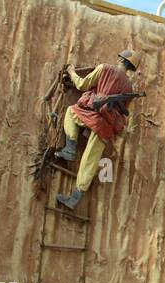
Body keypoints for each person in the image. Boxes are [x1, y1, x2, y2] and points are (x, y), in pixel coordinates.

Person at [55, 48, 142, 210]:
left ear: (121, 59)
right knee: (90, 163)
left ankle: (70, 148)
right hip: (106, 127)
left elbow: (82, 84)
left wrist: (72, 72)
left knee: (71, 112)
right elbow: (124, 114)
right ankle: (74, 200)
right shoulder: (129, 88)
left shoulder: (104, 68)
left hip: (90, 115)